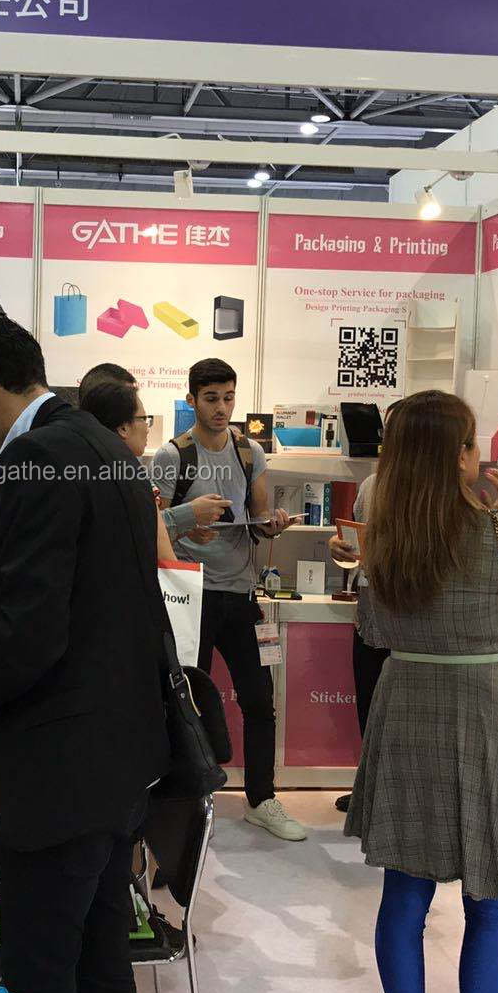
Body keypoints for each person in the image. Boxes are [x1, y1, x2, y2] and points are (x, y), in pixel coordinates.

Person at [0, 315, 170, 993]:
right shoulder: (104, 442)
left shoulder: (34, 458)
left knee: (39, 972)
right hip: (118, 760)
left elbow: (31, 635)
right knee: (103, 961)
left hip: (58, 771)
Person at [345, 389, 498, 993]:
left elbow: (372, 631)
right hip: (491, 710)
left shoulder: (384, 538)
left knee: (403, 897)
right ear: (459, 455)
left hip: (405, 706)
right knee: (491, 901)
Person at [150, 358, 302, 841]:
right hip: (189, 594)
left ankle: (262, 798)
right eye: (211, 398)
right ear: (192, 399)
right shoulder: (172, 455)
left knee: (259, 699)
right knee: (185, 702)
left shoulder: (249, 451)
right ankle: (187, 802)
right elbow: (150, 524)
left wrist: (273, 523)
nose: (221, 407)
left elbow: (259, 517)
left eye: (229, 397)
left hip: (240, 592)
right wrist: (186, 519)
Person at [328, 469, 391, 814]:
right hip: (370, 617)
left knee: (404, 716)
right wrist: (338, 546)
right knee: (368, 708)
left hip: (412, 625)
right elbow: (354, 542)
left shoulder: (435, 485)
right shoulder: (371, 485)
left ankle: (394, 796)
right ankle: (370, 789)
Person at [78, 377, 178, 562]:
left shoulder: (79, 474)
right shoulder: (135, 482)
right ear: (123, 428)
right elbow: (165, 557)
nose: (147, 428)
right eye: (144, 419)